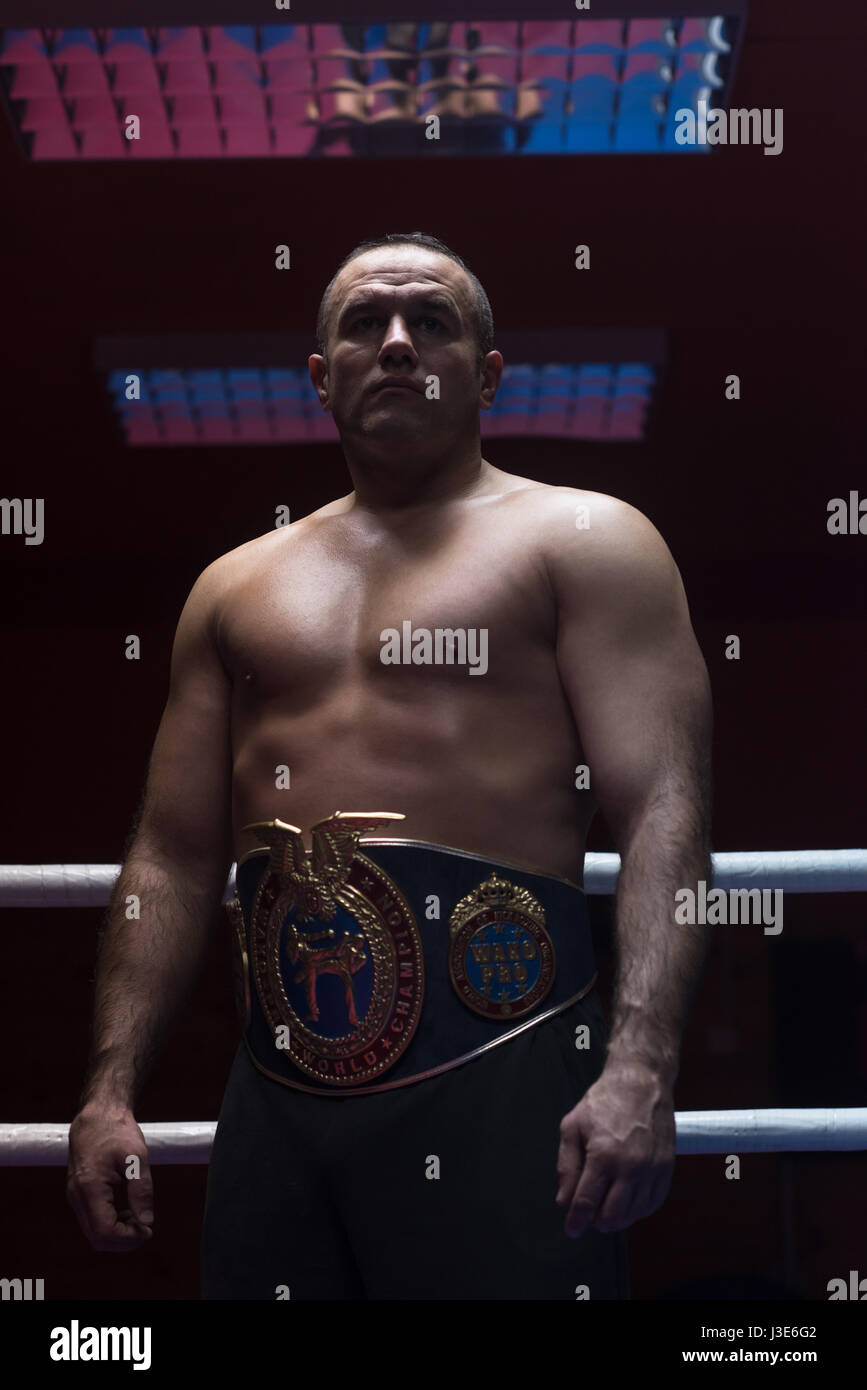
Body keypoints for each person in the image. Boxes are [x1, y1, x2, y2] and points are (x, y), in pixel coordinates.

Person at [67, 231, 713, 1300]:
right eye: (366, 324)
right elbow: (174, 854)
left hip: (507, 1072)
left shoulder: (589, 541)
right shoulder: (235, 587)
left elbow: (665, 814)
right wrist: (108, 1089)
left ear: (488, 374)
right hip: (279, 1095)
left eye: (433, 323)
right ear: (322, 377)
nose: (399, 344)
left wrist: (642, 1064)